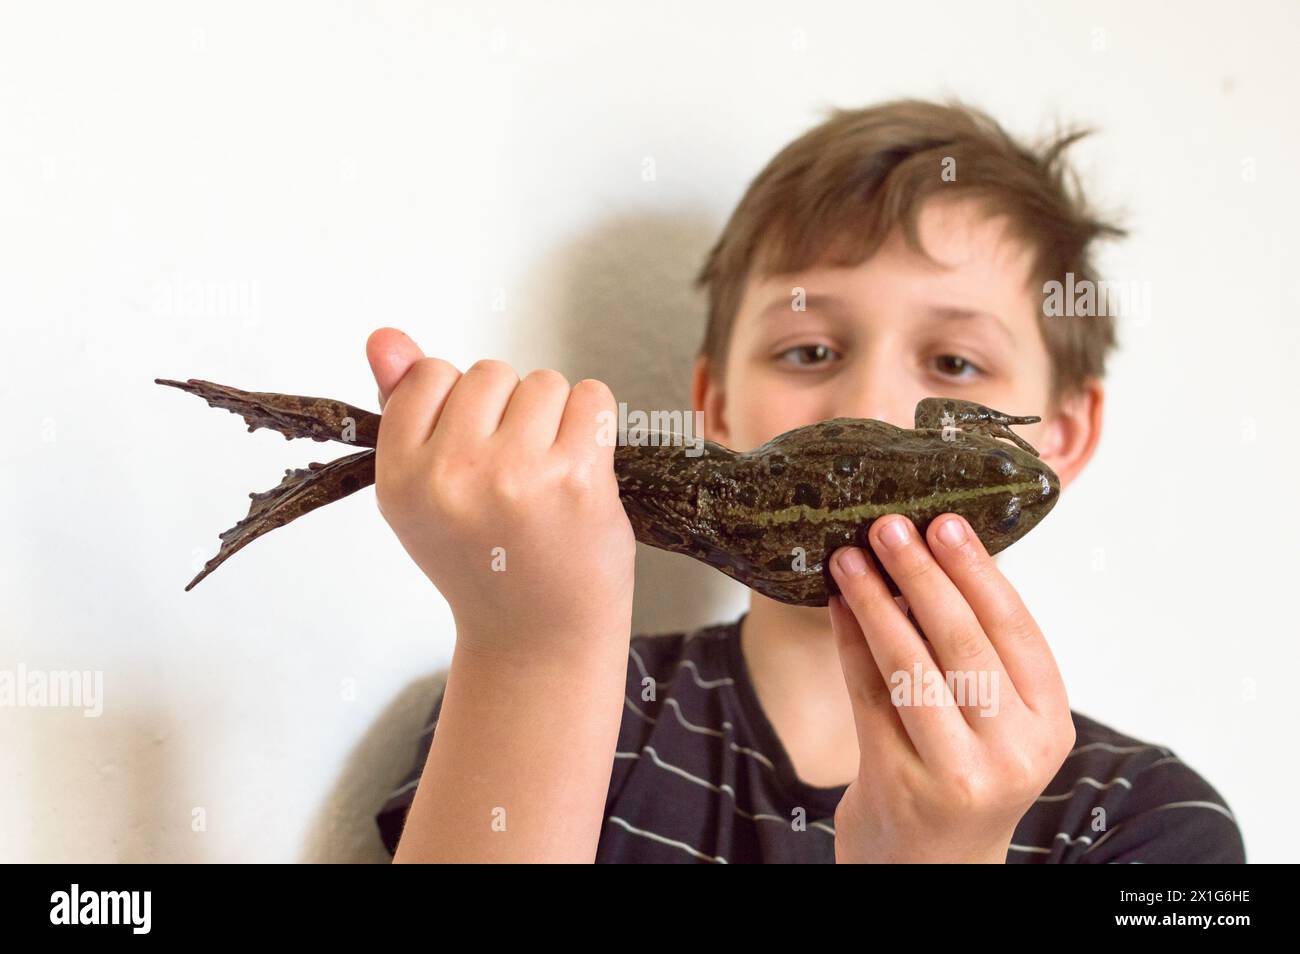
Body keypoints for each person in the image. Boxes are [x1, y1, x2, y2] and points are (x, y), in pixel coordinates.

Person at [368, 99, 1245, 863]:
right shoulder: (564, 688)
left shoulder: (1150, 824)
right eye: (810, 350)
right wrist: (532, 653)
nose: (872, 402)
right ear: (713, 404)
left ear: (1062, 435)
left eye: (953, 361)